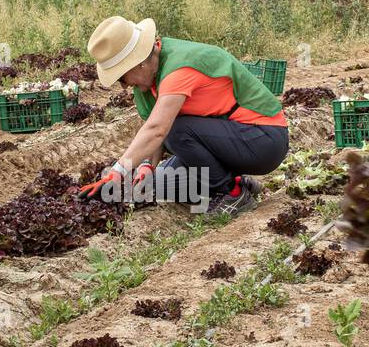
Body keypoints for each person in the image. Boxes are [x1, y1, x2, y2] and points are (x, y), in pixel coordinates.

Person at [82, 16, 290, 215]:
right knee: (162, 183)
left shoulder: (179, 67)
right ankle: (236, 181)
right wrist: (147, 166)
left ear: (138, 63)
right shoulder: (146, 82)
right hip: (227, 141)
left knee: (176, 131)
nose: (124, 86)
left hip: (263, 139)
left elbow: (158, 130)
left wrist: (119, 170)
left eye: (122, 77)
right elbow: (153, 131)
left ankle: (232, 193)